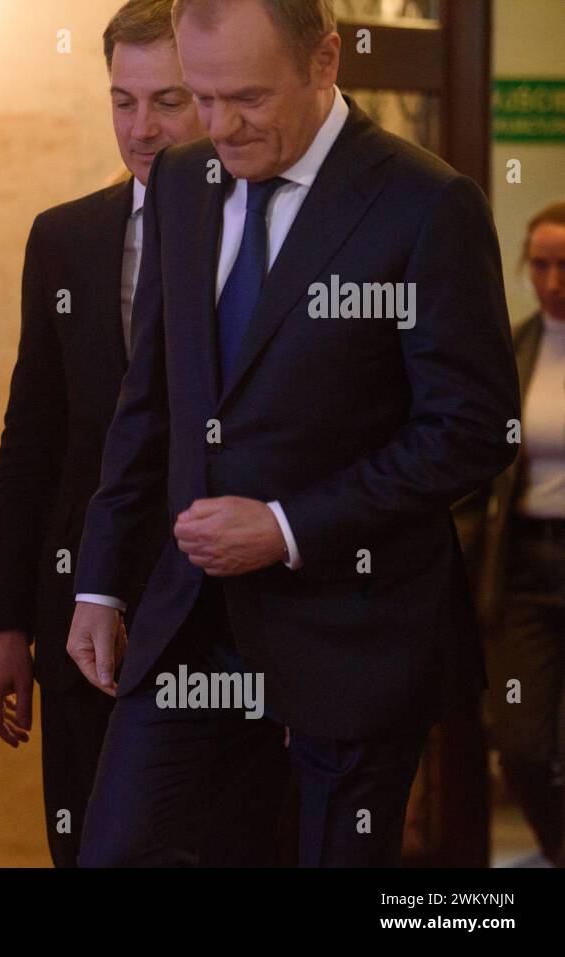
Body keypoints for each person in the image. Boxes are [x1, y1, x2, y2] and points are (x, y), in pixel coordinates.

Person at [67, 0, 520, 867]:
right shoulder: (183, 184)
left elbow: (472, 429)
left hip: (355, 634)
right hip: (189, 622)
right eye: (200, 97)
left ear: (324, 61)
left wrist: (285, 526)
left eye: (247, 97)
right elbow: (150, 399)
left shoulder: (427, 204)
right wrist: (100, 582)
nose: (219, 126)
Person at [0, 0, 203, 868]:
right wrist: (7, 626)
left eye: (169, 101)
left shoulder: (264, 236)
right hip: (83, 605)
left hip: (221, 608)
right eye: (123, 101)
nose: (142, 129)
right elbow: (32, 438)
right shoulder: (66, 237)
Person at [457, 202, 565, 865]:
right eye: (542, 264)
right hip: (523, 564)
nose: (555, 279)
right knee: (521, 739)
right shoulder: (515, 349)